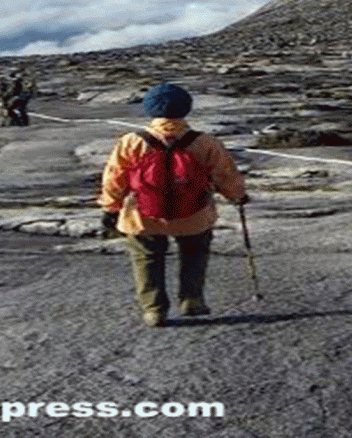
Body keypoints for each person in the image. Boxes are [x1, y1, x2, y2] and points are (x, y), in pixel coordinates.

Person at [99, 83, 247, 327]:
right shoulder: (205, 142)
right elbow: (225, 174)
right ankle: (192, 301)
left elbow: (114, 178)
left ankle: (154, 310)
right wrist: (237, 196)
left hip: (143, 214)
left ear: (149, 110)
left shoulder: (132, 141)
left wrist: (110, 207)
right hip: (194, 213)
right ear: (186, 108)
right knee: (194, 254)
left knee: (146, 258)